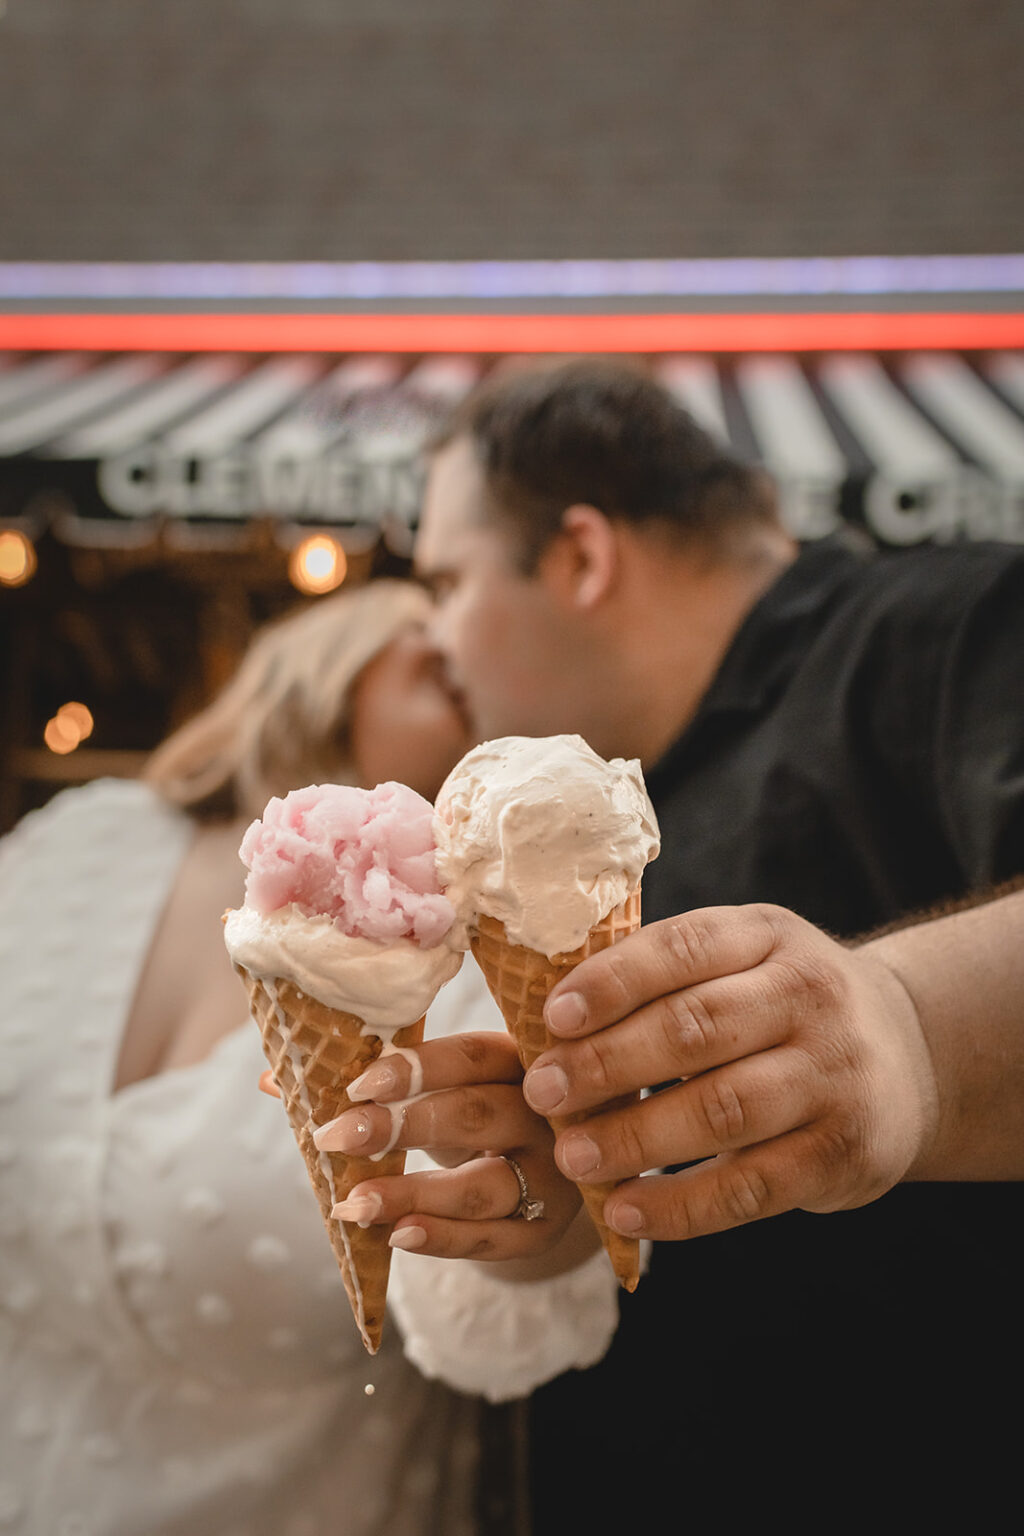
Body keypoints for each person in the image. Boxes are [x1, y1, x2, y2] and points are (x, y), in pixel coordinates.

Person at [336, 359, 1024, 1525]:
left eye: (447, 580)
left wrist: (903, 1028)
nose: (434, 636)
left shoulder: (948, 627)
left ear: (581, 558)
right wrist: (535, 1212)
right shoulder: (581, 816)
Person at [0, 576, 614, 1536]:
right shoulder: (87, 838)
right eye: (439, 643)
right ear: (326, 654)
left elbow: (510, 1298)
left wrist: (551, 1217)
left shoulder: (475, 965)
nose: (482, 675)